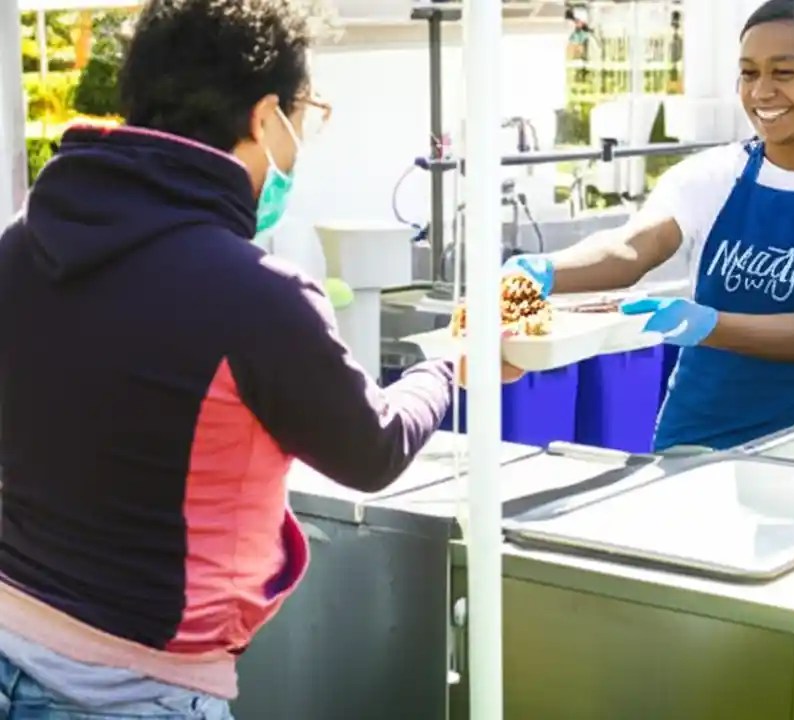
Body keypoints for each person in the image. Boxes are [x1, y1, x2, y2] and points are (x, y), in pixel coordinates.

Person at [0, 1, 516, 717]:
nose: (305, 138)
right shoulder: (255, 293)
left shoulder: (22, 245)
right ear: (266, 115)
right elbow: (373, 448)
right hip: (136, 692)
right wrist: (454, 364)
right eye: (308, 114)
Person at [508, 0, 794, 452]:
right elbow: (634, 247)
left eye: (784, 73)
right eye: (748, 72)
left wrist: (707, 324)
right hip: (694, 437)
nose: (761, 91)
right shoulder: (712, 174)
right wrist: (540, 272)